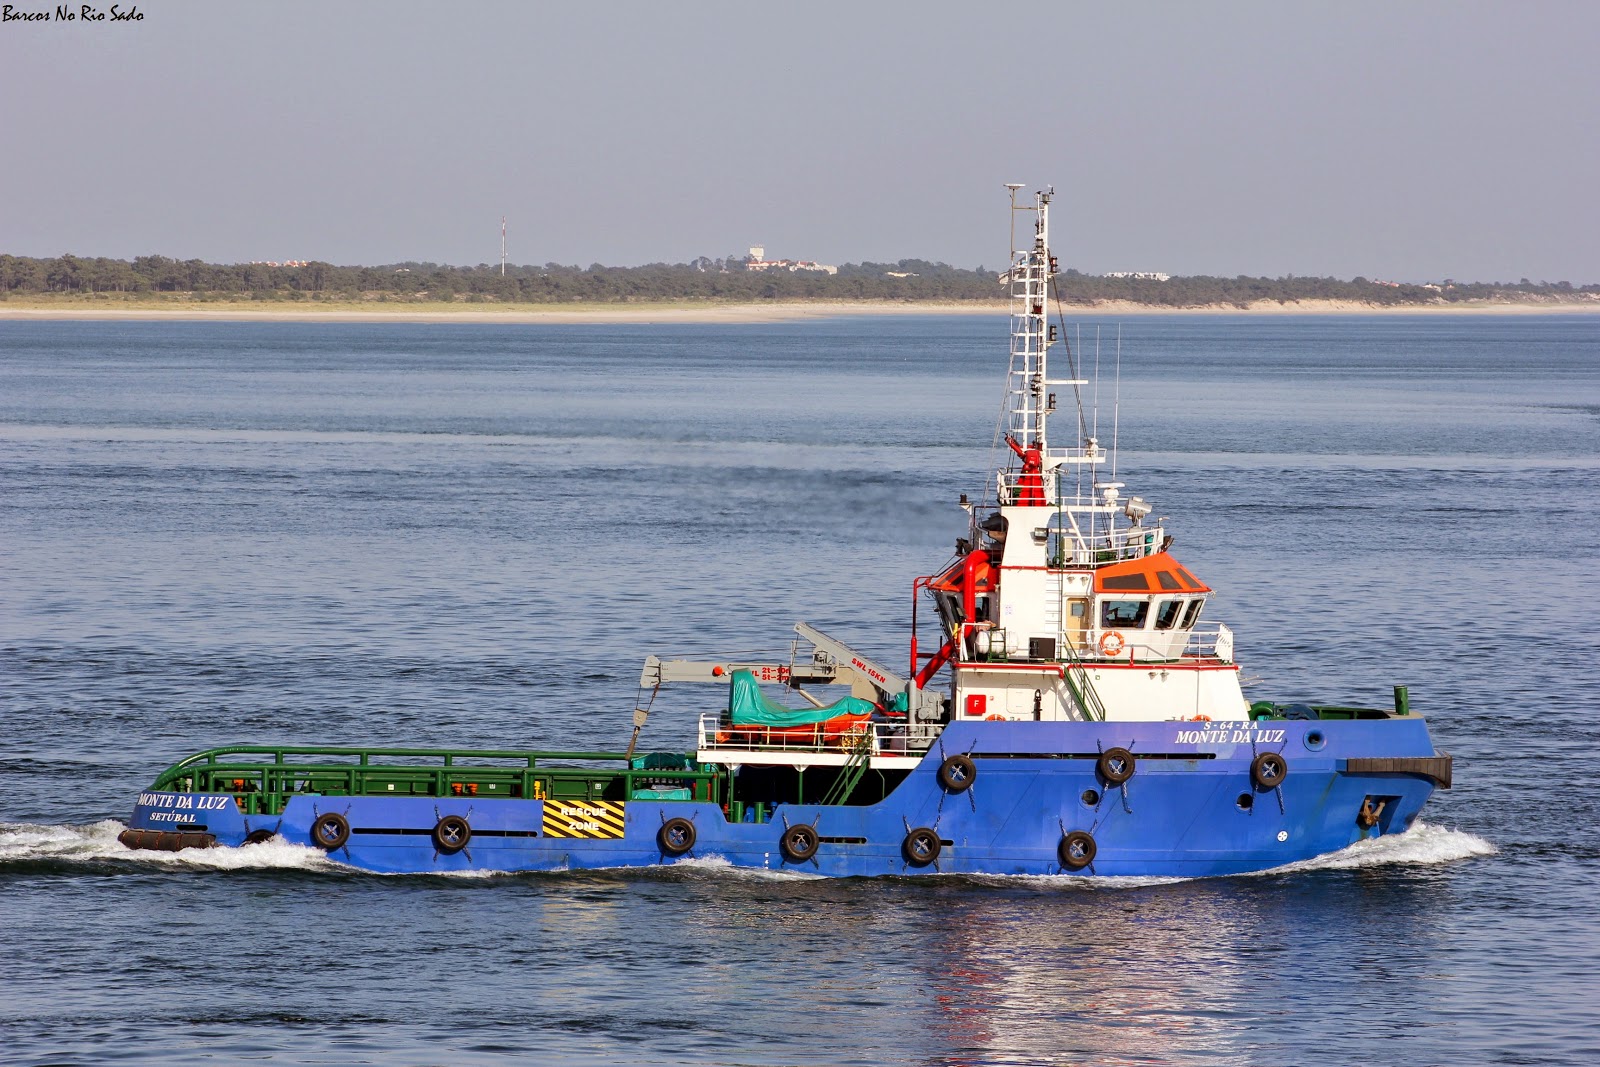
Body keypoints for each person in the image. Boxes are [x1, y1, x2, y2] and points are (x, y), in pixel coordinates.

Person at [1005, 434, 1046, 505]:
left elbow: (1022, 454)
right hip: (1032, 471)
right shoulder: (1033, 458)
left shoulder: (1028, 459)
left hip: (1030, 471)